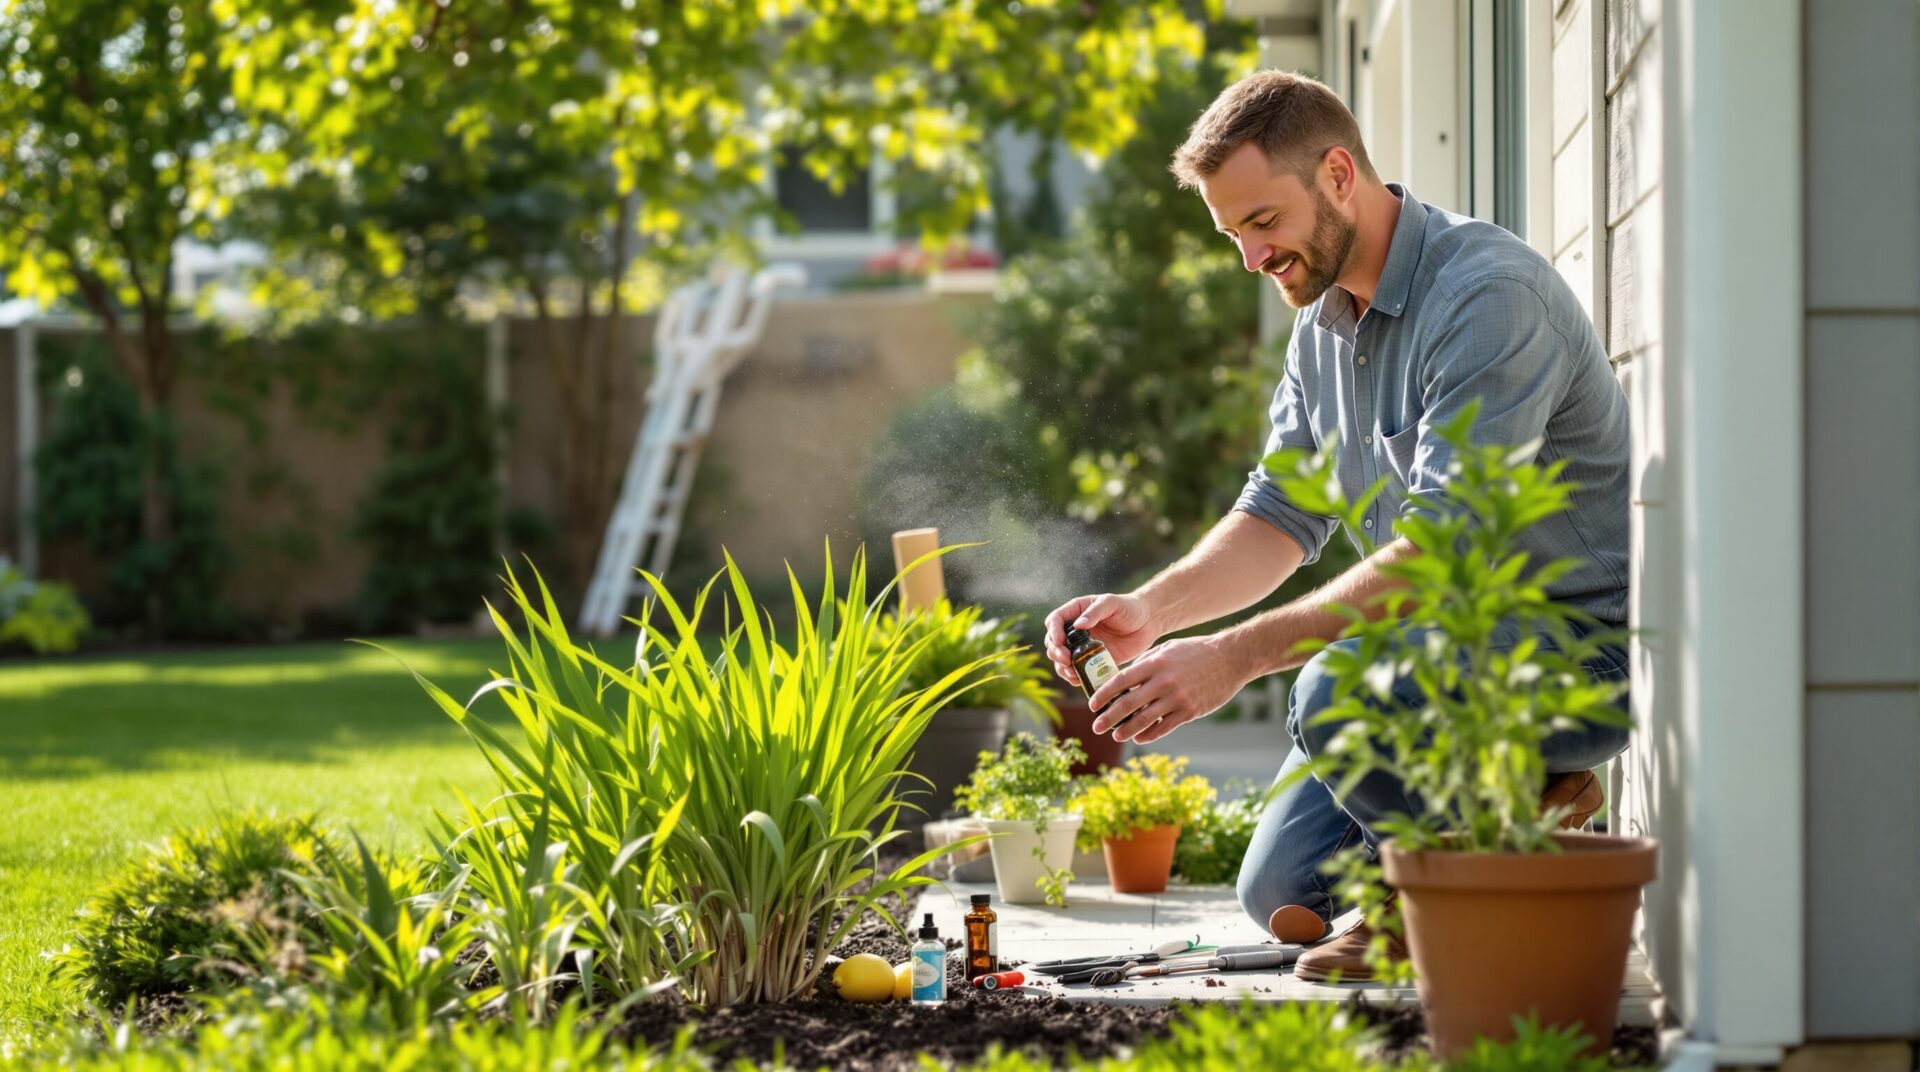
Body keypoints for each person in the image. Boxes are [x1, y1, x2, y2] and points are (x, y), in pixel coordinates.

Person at [1041, 70, 1631, 982]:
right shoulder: (1321, 325)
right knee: (1279, 891)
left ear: (1339, 173)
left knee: (1333, 691)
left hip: (1571, 659)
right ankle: (1517, 811)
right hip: (1438, 666)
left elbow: (1441, 558)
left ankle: (1436, 899)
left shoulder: (1486, 297)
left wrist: (1233, 656)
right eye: (1232, 232)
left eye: (1263, 222)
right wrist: (1151, 612)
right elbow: (1281, 512)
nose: (1249, 257)